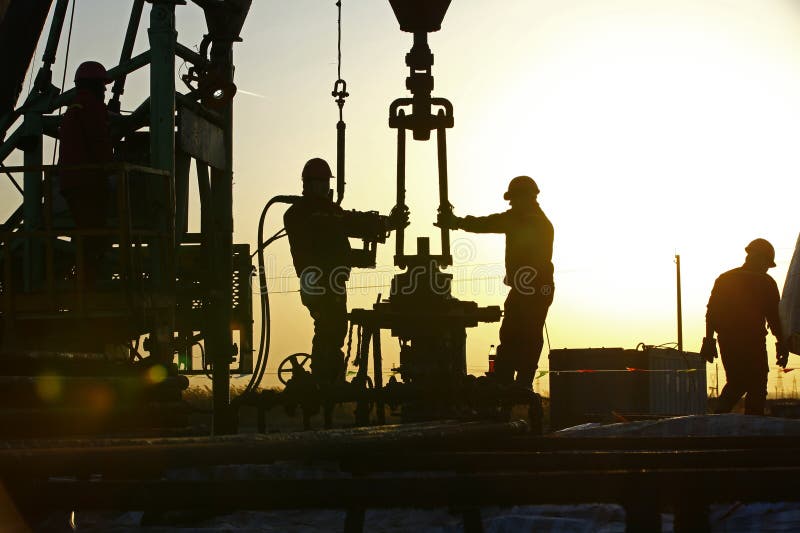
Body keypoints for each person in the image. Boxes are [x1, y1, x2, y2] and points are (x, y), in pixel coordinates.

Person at [284, 158, 407, 384]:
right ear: (308, 184)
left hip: (332, 281)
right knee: (329, 326)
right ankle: (326, 379)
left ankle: (329, 376)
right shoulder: (303, 214)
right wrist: (382, 224)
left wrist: (387, 223)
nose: (323, 188)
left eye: (325, 183)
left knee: (333, 327)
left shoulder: (326, 212)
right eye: (319, 183)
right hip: (318, 282)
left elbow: (352, 221)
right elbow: (342, 226)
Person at [437, 175, 554, 389]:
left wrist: (457, 223)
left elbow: (491, 222)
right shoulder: (533, 219)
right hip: (530, 287)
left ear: (525, 197)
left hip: (532, 288)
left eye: (513, 199)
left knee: (520, 332)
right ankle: (510, 378)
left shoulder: (528, 221)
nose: (511, 204)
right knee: (517, 332)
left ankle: (514, 380)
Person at [702, 238, 790, 415]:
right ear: (760, 258)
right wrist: (782, 344)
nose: (766, 268)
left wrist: (709, 340)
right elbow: (774, 318)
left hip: (728, 341)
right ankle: (751, 430)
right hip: (752, 342)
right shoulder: (766, 282)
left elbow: (712, 313)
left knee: (737, 382)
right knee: (756, 386)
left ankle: (718, 421)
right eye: (766, 264)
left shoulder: (725, 279)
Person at [58, 61, 113, 284]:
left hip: (72, 182)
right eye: (103, 86)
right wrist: (111, 166)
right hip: (87, 182)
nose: (105, 90)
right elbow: (99, 142)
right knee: (95, 234)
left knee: (85, 232)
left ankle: (86, 275)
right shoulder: (92, 108)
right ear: (94, 85)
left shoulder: (74, 108)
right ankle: (92, 279)